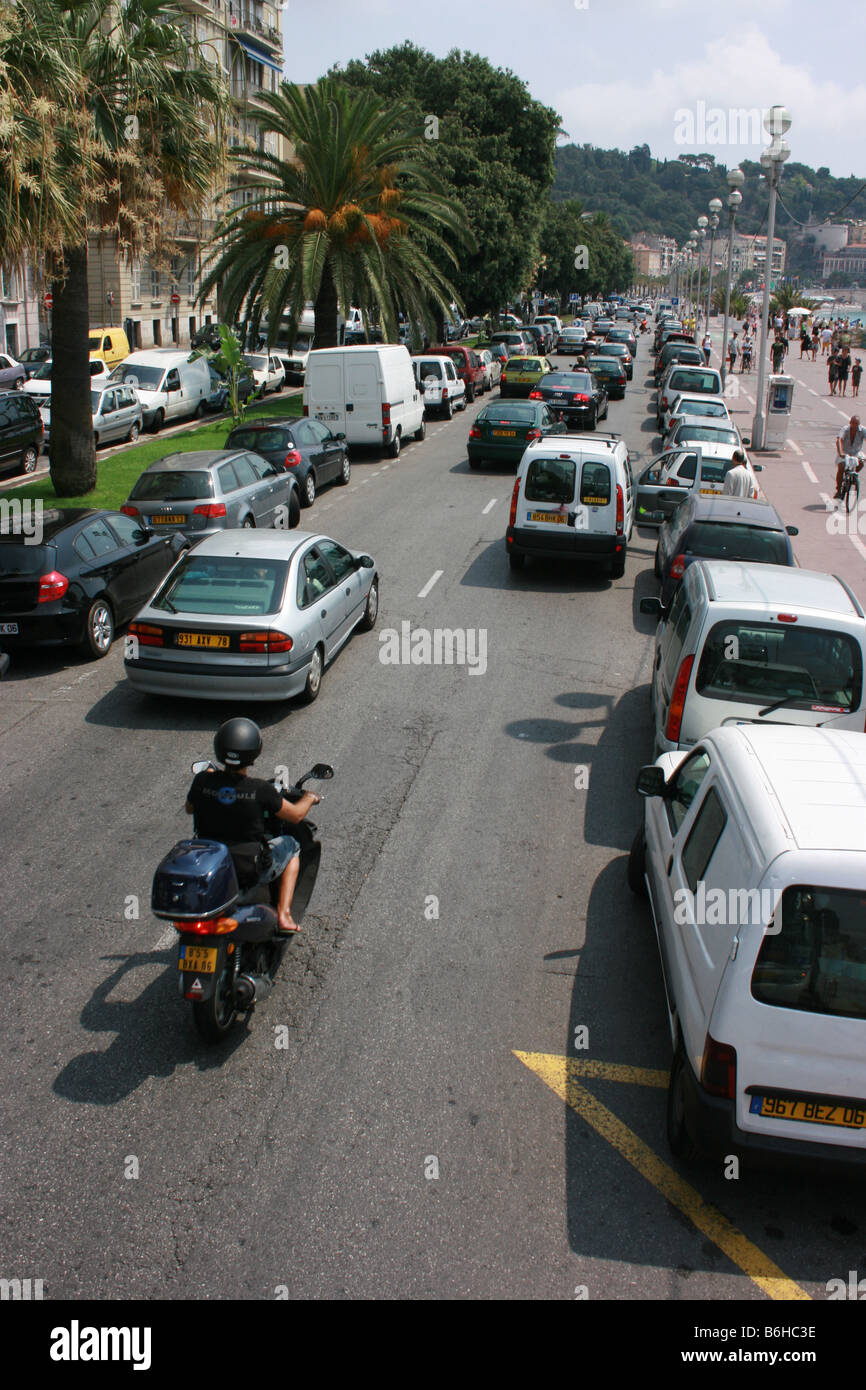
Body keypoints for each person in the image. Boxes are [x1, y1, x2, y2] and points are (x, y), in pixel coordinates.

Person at [185, 718, 321, 935]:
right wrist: (309, 798)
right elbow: (295, 816)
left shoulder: (202, 781)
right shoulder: (259, 789)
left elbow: (189, 808)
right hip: (247, 867)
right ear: (254, 752)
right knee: (293, 845)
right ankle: (284, 915)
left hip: (208, 863)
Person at [834, 416, 866, 498]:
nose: (855, 426)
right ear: (850, 423)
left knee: (861, 463)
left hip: (856, 452)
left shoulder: (863, 430)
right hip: (845, 452)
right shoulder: (845, 429)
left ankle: (853, 477)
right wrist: (841, 452)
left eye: (857, 424)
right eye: (854, 424)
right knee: (841, 467)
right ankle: (838, 489)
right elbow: (839, 440)